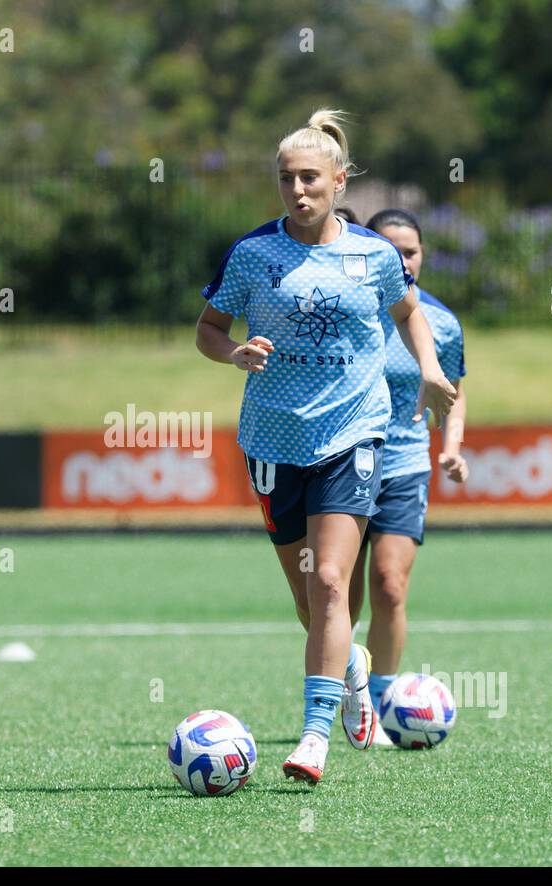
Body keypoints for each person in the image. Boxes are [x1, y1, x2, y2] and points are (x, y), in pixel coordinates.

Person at [195, 110, 455, 785]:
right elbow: (207, 328)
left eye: (310, 178)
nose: (297, 190)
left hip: (354, 435)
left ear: (339, 181)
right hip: (273, 440)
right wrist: (234, 353)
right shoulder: (253, 254)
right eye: (286, 179)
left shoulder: (372, 254)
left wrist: (428, 369)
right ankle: (353, 667)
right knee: (309, 602)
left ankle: (313, 737)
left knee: (333, 581)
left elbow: (408, 313)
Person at [347, 209, 468, 744]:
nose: (403, 260)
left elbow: (453, 393)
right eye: (391, 250)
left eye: (412, 251)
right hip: (344, 460)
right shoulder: (348, 306)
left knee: (390, 587)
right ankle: (338, 696)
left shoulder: (439, 321)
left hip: (404, 464)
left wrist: (453, 447)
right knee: (338, 597)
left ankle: (381, 699)